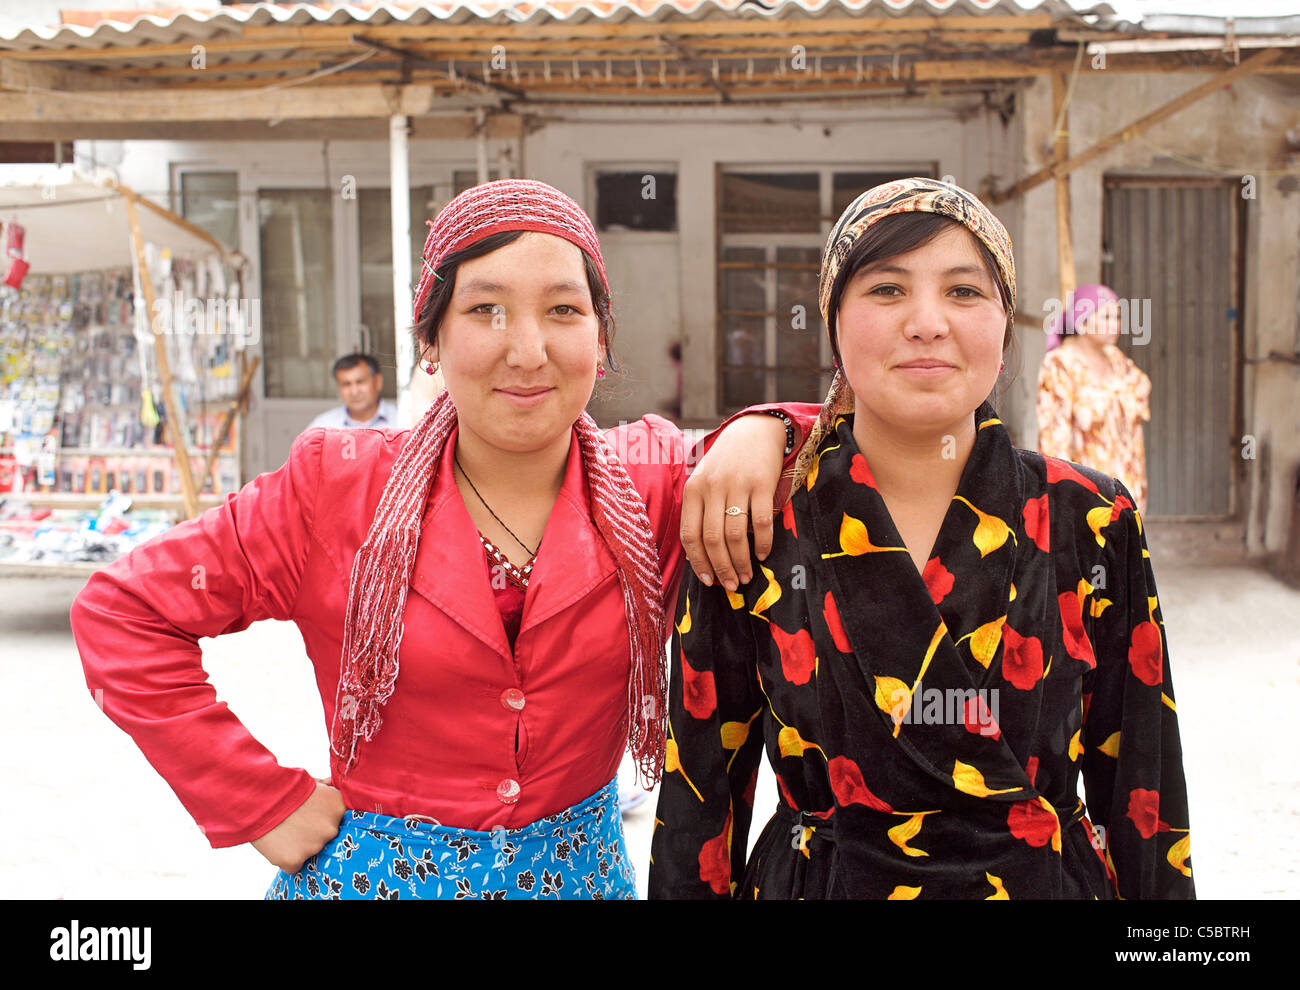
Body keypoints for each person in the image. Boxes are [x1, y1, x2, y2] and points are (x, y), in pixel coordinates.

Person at [71, 179, 818, 900]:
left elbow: (862, 446)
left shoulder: (650, 483)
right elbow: (120, 613)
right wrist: (256, 798)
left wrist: (767, 427)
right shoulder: (336, 489)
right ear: (430, 339)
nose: (527, 351)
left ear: (601, 336)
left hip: (579, 883)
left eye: (563, 309)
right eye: (486, 309)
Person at [648, 177, 1193, 900]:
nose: (928, 323)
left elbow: (1144, 789)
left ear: (1005, 324)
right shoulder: (756, 517)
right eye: (886, 290)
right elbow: (698, 806)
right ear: (834, 321)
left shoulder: (1092, 517)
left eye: (965, 292)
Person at [1037, 284, 1152, 513]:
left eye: (1117, 317)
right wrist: (1062, 499)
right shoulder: (1060, 365)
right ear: (1083, 321)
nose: (1115, 325)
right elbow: (1053, 440)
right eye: (1106, 317)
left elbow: (1136, 407)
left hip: (1126, 495)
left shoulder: (1116, 360)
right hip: (1085, 498)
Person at [305, 353, 399, 430]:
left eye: (360, 382)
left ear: (378, 382)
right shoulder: (323, 427)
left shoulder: (402, 421)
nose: (354, 392)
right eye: (346, 384)